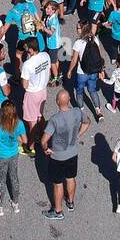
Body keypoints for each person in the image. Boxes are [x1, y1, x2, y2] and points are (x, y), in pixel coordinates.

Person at [41, 88, 88, 220]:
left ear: (57, 102)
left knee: (58, 183)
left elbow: (44, 140)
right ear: (68, 100)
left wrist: (46, 149)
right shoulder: (77, 111)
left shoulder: (54, 119)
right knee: (71, 178)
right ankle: (71, 202)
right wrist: (78, 135)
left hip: (57, 157)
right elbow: (87, 122)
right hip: (73, 153)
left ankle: (58, 211)